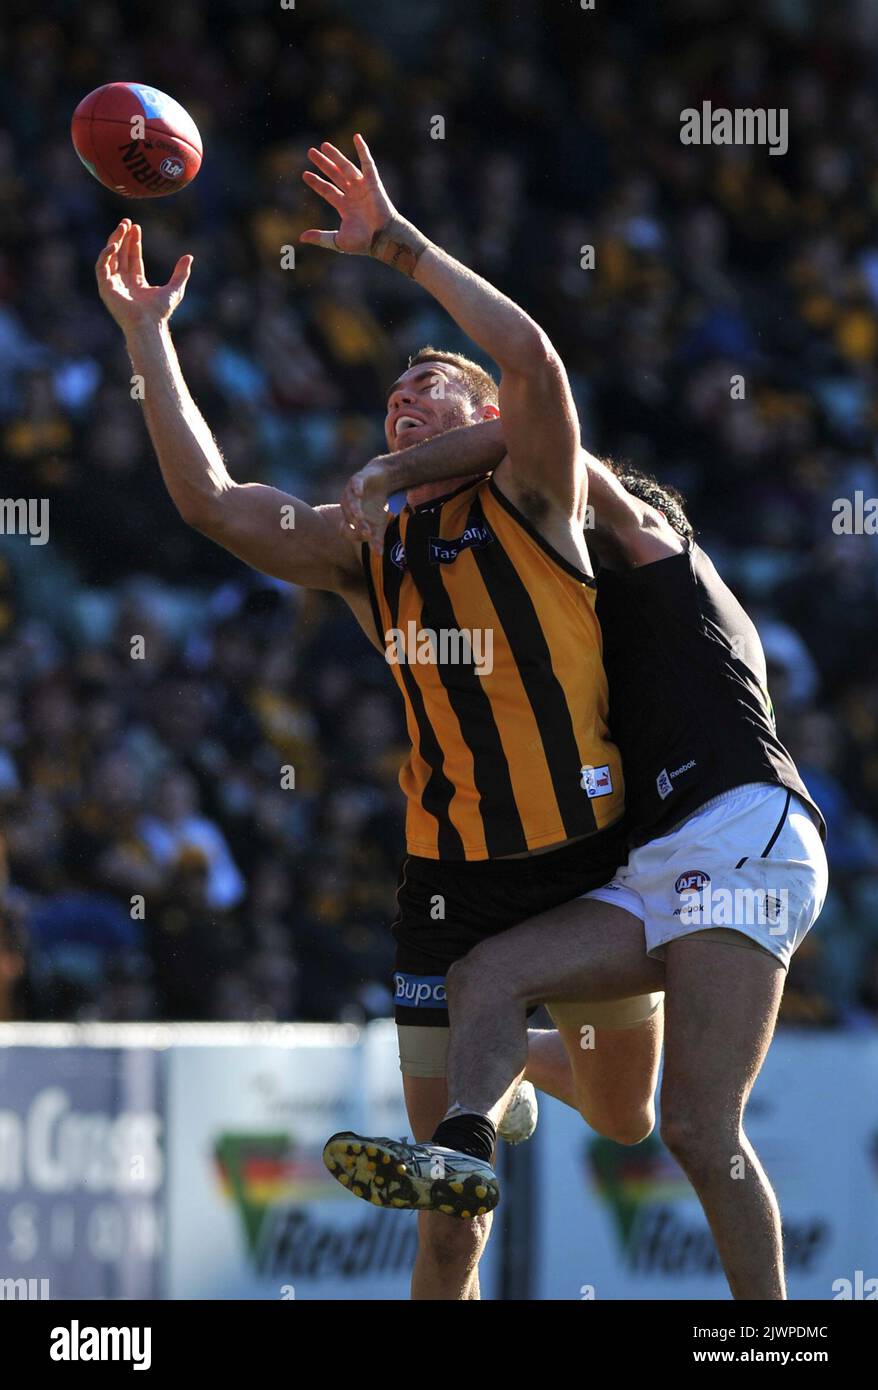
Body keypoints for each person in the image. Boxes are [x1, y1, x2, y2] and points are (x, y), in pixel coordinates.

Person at [94, 137, 661, 1301]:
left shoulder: (539, 493)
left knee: (625, 1112)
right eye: (392, 396)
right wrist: (146, 335)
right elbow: (210, 504)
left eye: (430, 389)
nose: (402, 400)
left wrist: (399, 246)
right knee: (446, 1213)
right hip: (448, 882)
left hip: (589, 863)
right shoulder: (366, 543)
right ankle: (478, 1075)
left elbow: (535, 364)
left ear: (481, 411)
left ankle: (492, 1063)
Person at [327, 417, 828, 1301]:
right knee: (486, 975)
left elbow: (537, 429)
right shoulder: (581, 634)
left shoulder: (660, 552)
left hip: (743, 836)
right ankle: (469, 1135)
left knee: (698, 1130)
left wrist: (394, 467)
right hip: (666, 864)